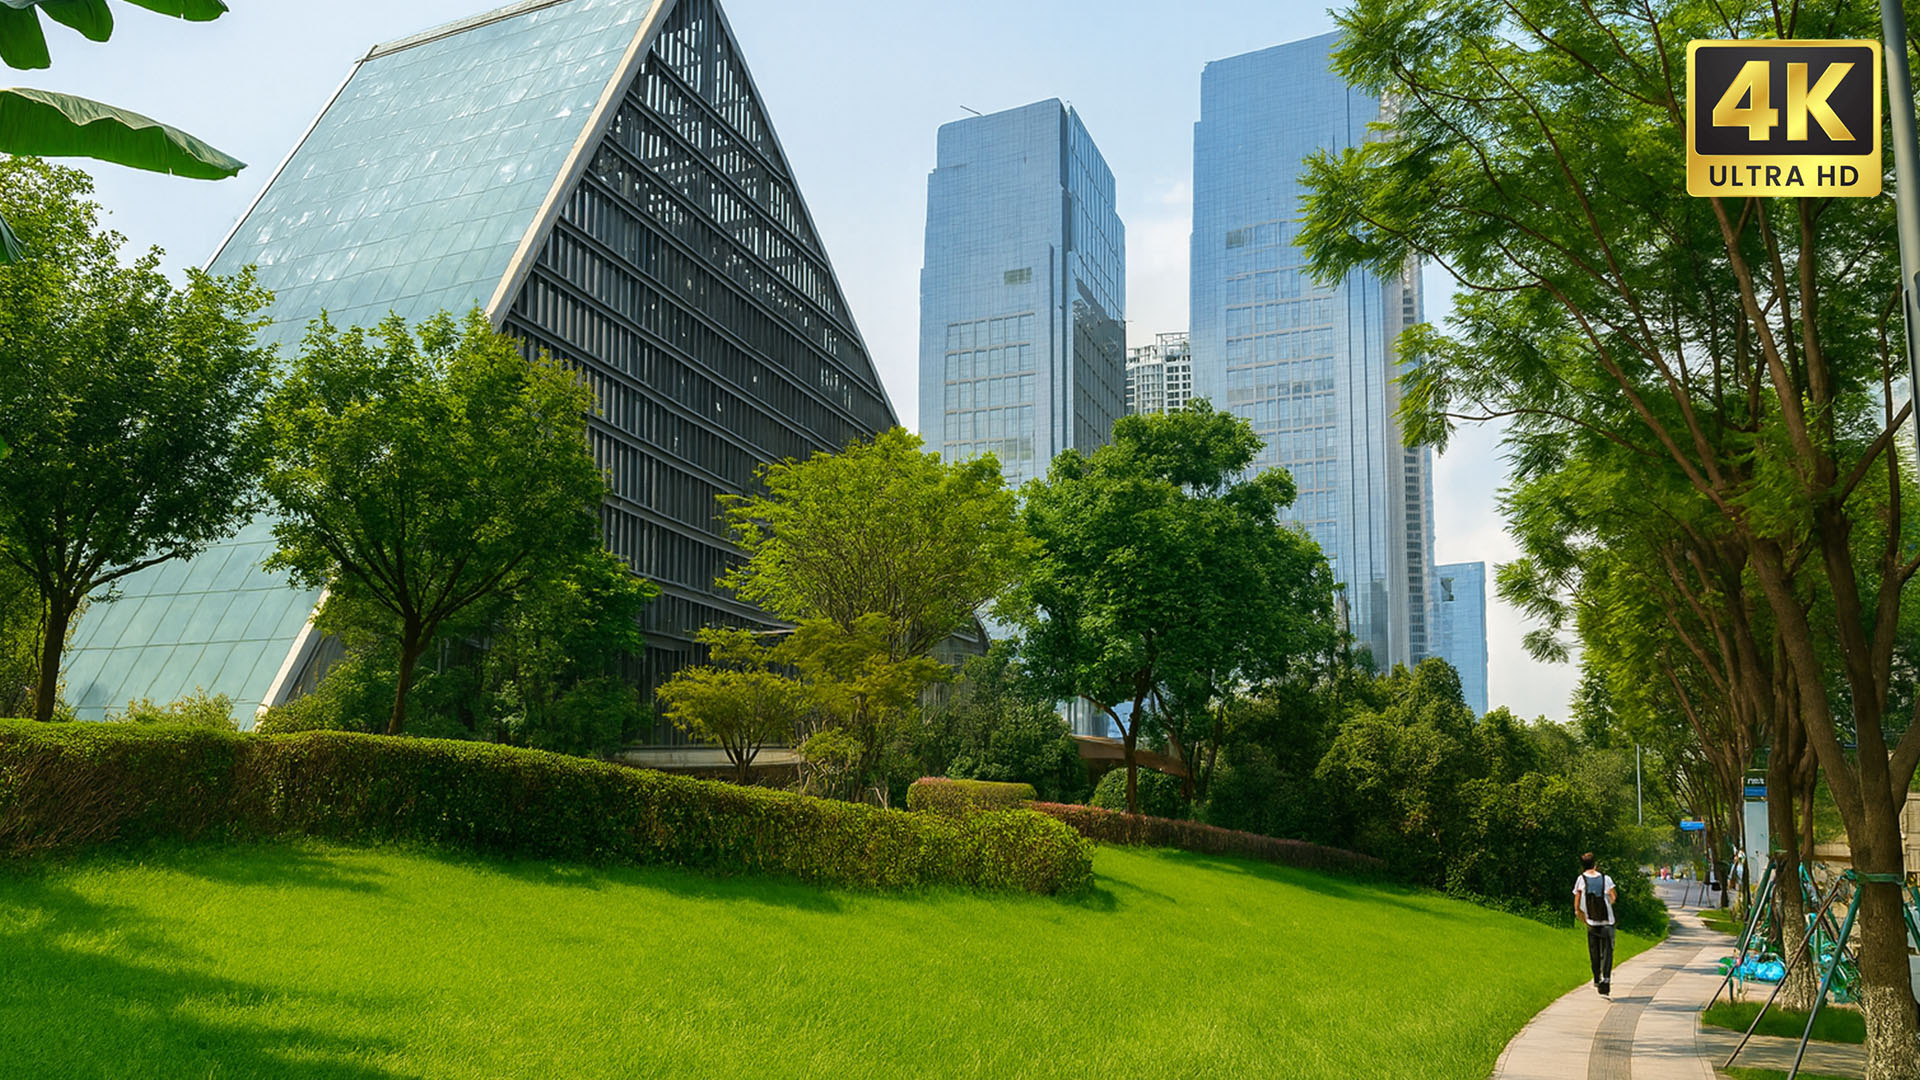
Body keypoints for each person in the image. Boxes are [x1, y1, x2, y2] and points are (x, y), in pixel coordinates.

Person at [1574, 851, 1617, 997]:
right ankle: (1606, 978)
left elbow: (1577, 901)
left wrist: (1582, 916)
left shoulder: (1581, 879)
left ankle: (1597, 978)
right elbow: (1613, 896)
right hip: (1607, 922)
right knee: (1607, 951)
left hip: (1592, 922)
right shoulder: (1606, 878)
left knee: (1594, 951)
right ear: (1595, 865)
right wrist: (1607, 906)